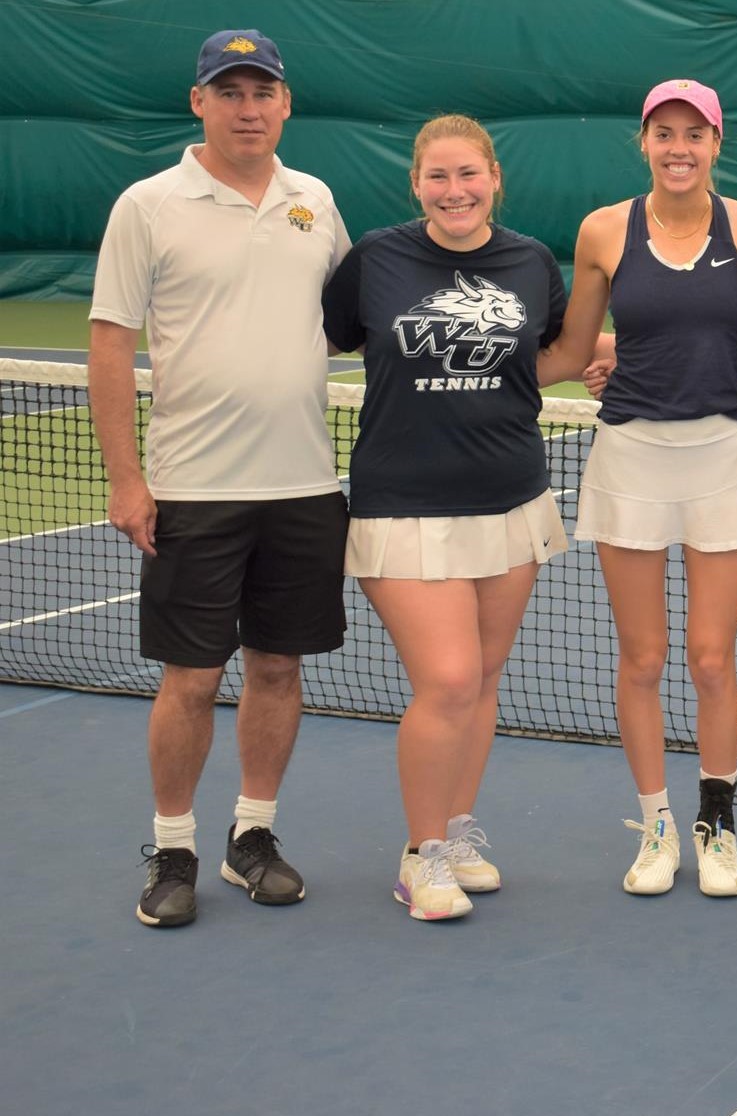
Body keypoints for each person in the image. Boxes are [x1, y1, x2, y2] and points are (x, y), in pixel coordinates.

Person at [88, 29, 350, 928]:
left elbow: (362, 318)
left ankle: (253, 837)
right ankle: (173, 848)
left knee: (278, 668)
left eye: (262, 93)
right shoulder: (149, 204)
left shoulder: (314, 199)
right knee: (191, 681)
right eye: (228, 93)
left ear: (285, 105)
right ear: (199, 102)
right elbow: (111, 341)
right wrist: (126, 478)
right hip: (194, 490)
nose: (248, 109)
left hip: (305, 488)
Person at [320, 114, 572, 920]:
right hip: (402, 504)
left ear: (495, 177)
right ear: (416, 184)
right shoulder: (376, 259)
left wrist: (597, 358)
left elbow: (546, 356)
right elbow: (323, 340)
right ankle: (420, 856)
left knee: (484, 680)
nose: (454, 190)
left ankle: (456, 838)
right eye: (438, 176)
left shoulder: (531, 262)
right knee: (450, 679)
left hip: (511, 495)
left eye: (469, 175)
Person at [543, 79, 737, 898]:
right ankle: (656, 830)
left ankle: (718, 827)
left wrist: (710, 380)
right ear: (643, 142)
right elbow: (575, 348)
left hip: (721, 455)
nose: (679, 148)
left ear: (718, 142)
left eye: (695, 133)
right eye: (663, 133)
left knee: (713, 659)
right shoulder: (603, 230)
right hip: (629, 461)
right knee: (642, 657)